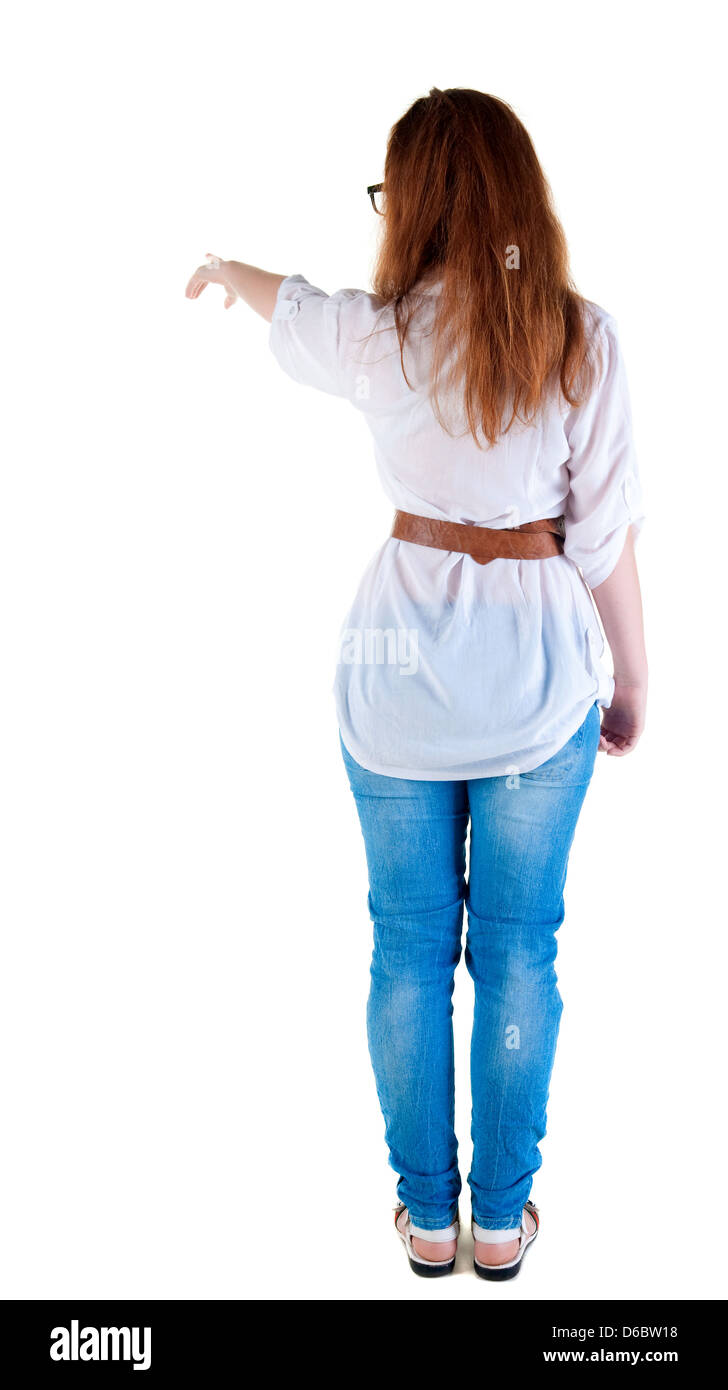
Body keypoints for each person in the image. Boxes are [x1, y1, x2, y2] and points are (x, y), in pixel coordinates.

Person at [185, 87, 647, 1281]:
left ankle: (425, 1218)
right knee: (518, 950)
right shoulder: (580, 339)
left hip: (393, 687)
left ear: (419, 202)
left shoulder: (380, 332)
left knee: (403, 949)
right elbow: (602, 540)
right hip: (540, 689)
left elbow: (279, 300)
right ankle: (501, 1221)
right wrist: (632, 680)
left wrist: (212, 267)